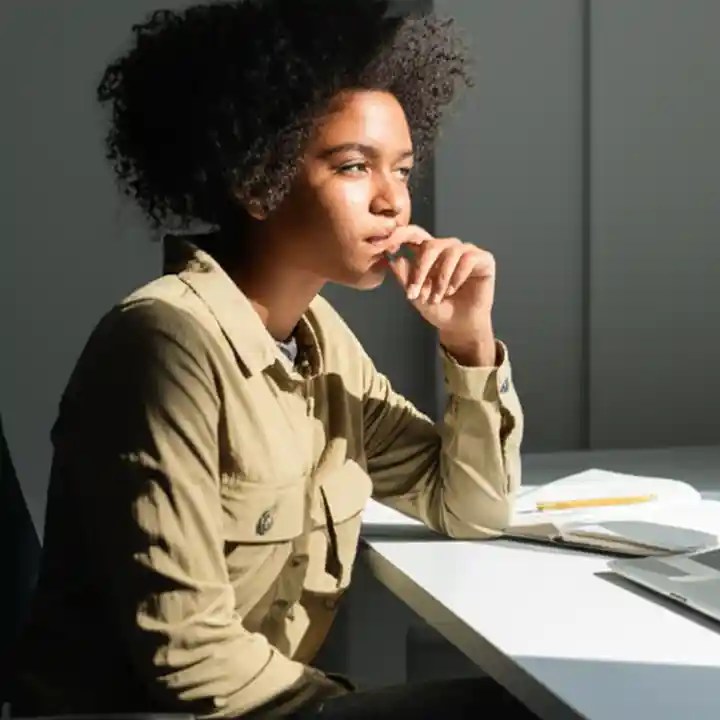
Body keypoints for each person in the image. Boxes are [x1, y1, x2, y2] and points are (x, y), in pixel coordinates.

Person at [8, 0, 532, 716]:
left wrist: (469, 341)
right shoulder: (161, 346)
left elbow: (470, 508)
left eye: (403, 170)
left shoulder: (321, 341)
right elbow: (191, 656)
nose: (394, 202)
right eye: (355, 167)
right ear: (260, 180)